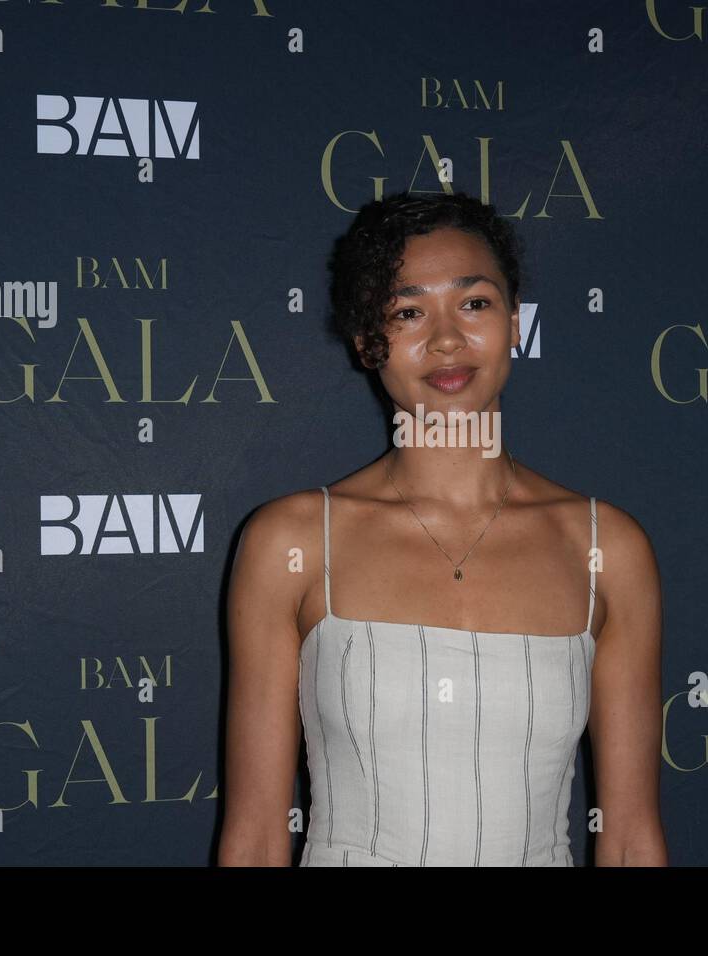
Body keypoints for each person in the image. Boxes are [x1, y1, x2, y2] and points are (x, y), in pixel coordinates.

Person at [218, 191, 667, 866]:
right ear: (367, 341)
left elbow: (630, 838)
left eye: (475, 302)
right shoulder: (293, 541)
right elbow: (255, 839)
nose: (447, 338)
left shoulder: (607, 547)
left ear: (515, 322)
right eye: (407, 312)